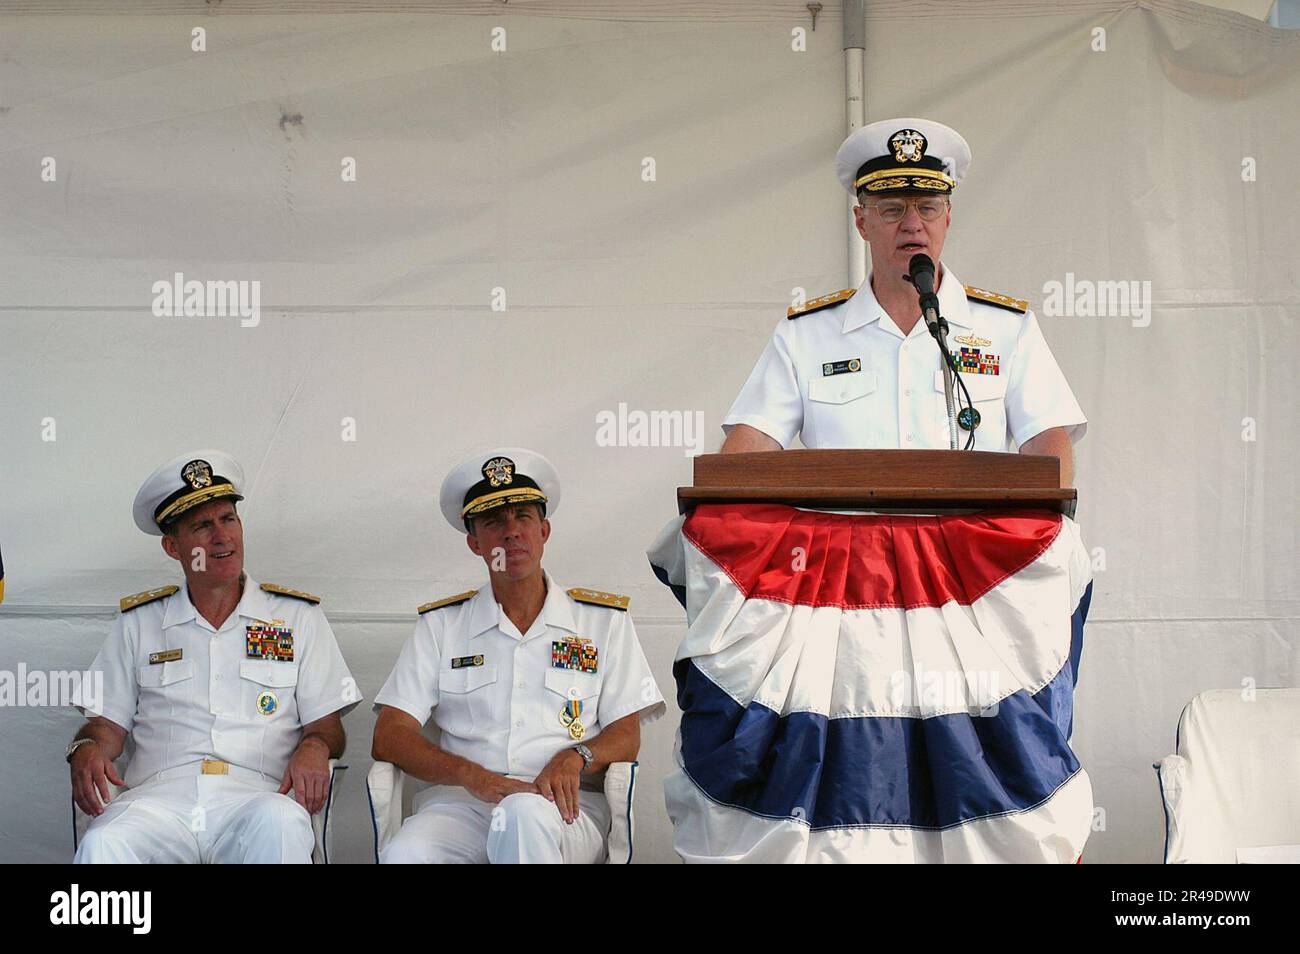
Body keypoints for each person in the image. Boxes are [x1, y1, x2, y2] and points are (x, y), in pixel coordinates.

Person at [721, 118, 1086, 484]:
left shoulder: (1007, 328)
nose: (912, 224)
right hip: (849, 538)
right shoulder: (807, 334)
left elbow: (1046, 441)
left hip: (966, 538)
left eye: (928, 207)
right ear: (861, 222)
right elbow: (751, 445)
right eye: (892, 209)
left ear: (948, 218)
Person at [372, 448, 665, 864]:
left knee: (522, 816)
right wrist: (470, 776)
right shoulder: (442, 627)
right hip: (465, 803)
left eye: (523, 517)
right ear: (475, 543)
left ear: (544, 531)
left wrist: (576, 756)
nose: (511, 533)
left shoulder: (602, 623)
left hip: (563, 807)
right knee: (406, 853)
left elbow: (627, 735)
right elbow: (389, 735)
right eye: (494, 522)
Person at [69, 449, 360, 863]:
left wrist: (315, 746)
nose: (221, 537)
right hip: (159, 800)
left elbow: (327, 725)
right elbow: (104, 725)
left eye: (228, 519)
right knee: (104, 842)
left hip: (255, 794)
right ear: (173, 546)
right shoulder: (139, 623)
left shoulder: (298, 618)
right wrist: (85, 747)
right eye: (202, 526)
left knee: (281, 824)